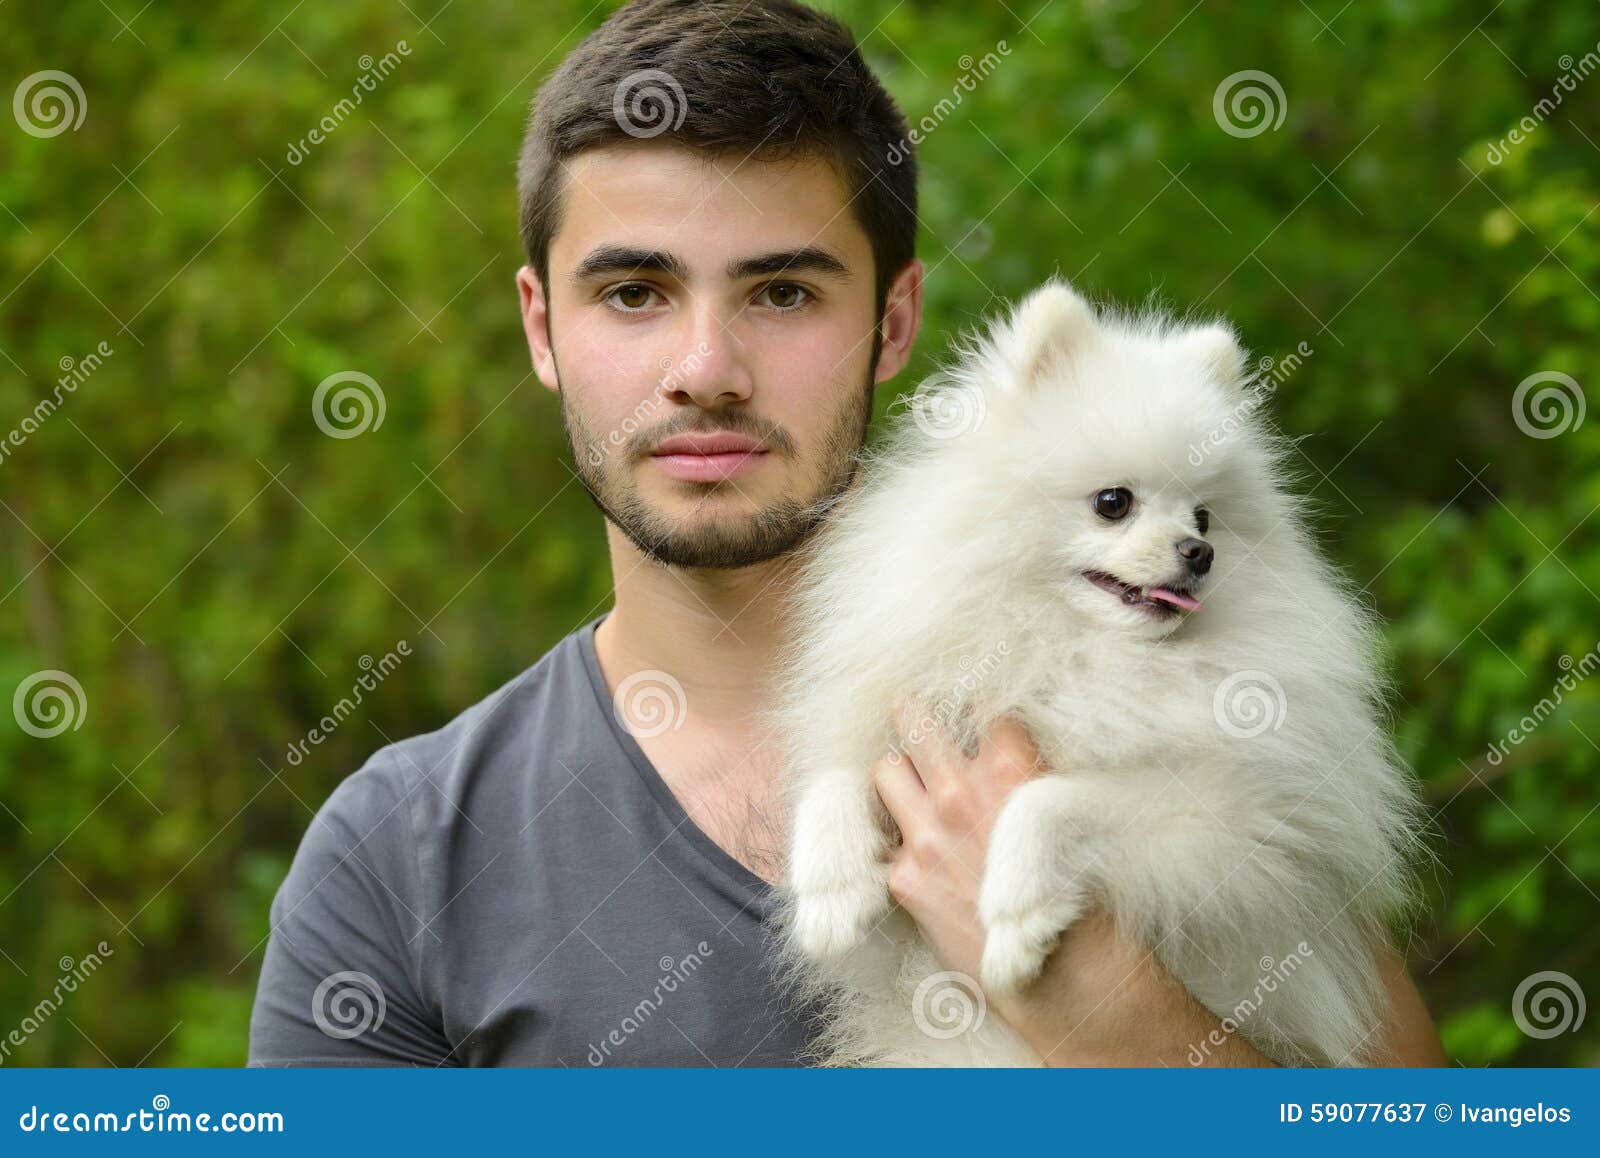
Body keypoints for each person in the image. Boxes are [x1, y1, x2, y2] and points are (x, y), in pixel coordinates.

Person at [248, 0, 1447, 1067]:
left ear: (893, 321)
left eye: (782, 292)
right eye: (633, 294)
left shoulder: (1217, 732)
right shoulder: (399, 861)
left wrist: (1110, 1012)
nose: (706, 370)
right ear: (540, 326)